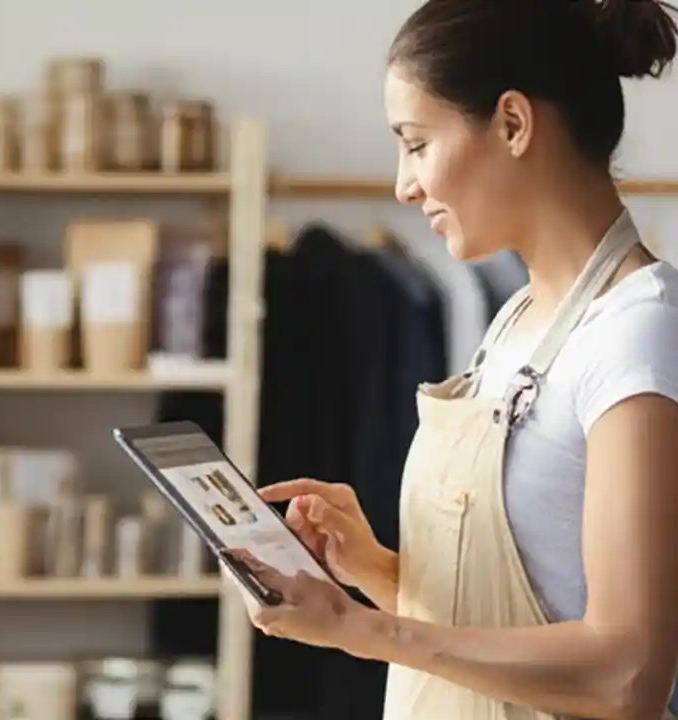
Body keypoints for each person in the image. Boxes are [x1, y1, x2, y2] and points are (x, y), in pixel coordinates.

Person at [223, 1, 678, 718]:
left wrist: (357, 628)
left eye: (416, 143)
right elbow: (508, 624)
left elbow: (625, 675)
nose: (404, 184)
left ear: (513, 124)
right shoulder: (515, 322)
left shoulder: (637, 333)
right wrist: (372, 570)